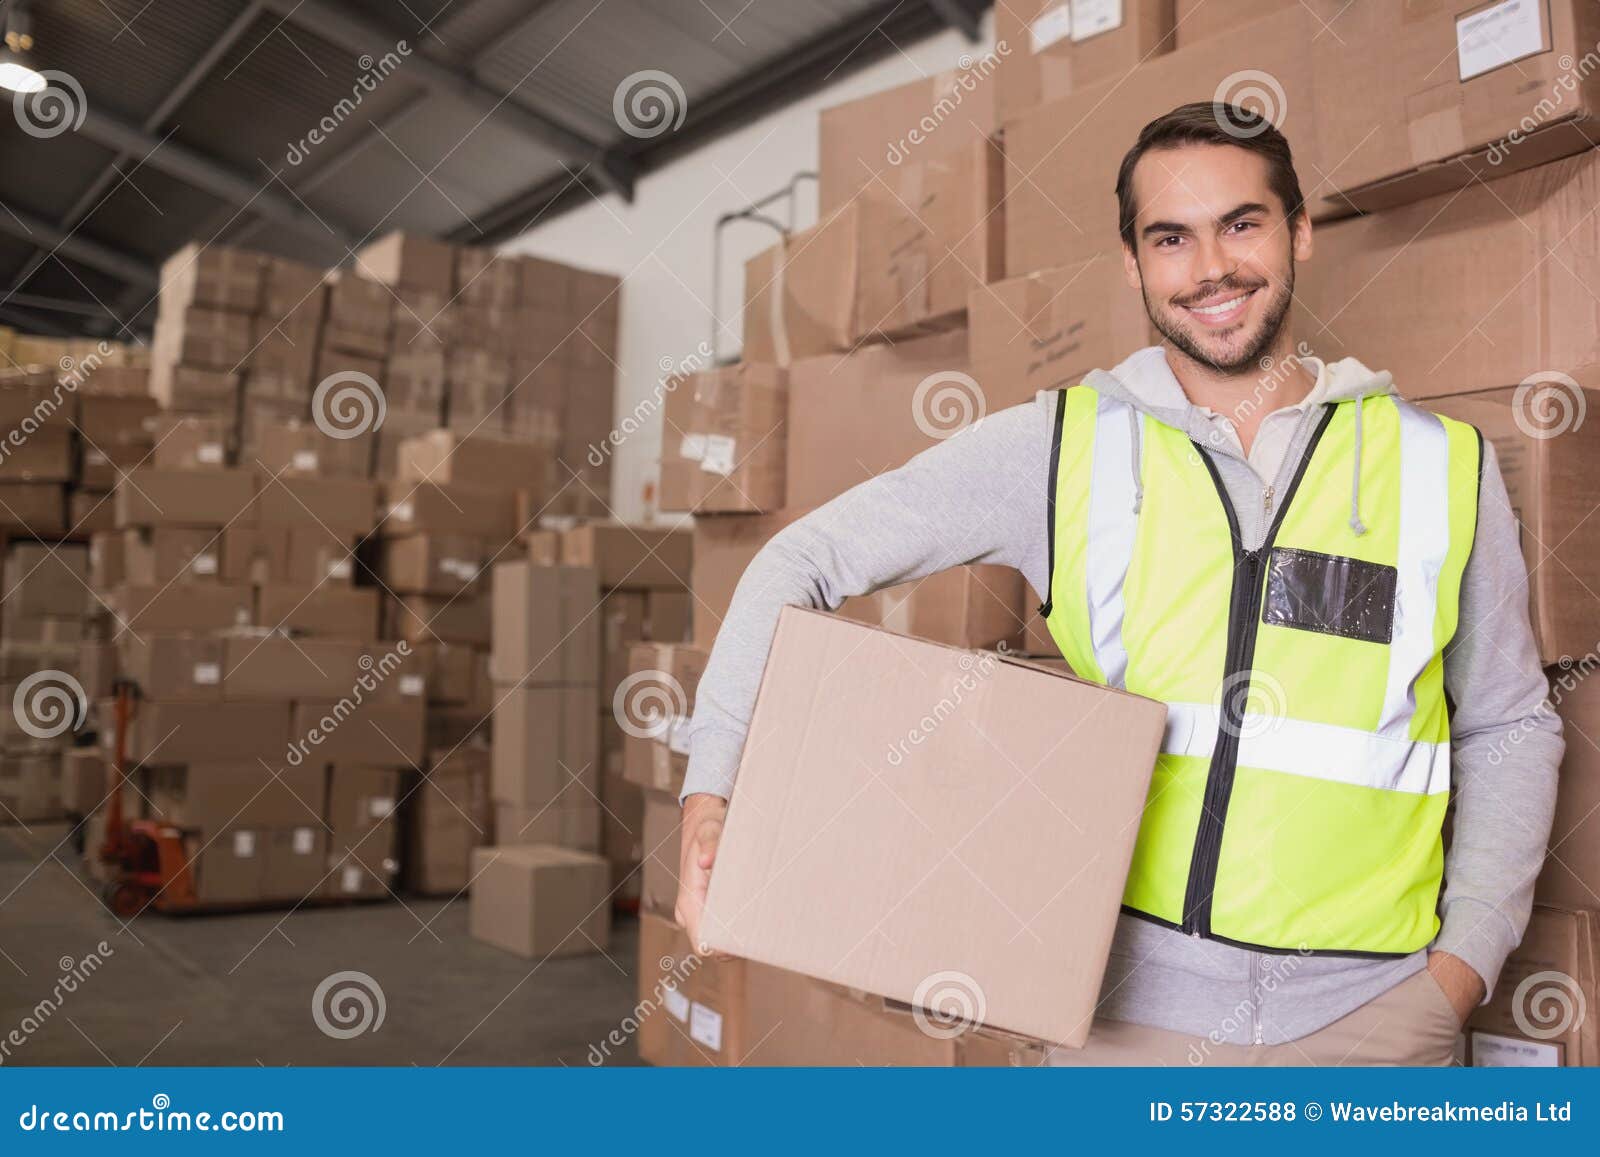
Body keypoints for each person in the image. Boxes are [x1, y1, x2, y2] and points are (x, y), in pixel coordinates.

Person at [673, 102, 1562, 1065]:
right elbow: (797, 560)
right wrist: (709, 791)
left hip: (1380, 1019)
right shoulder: (1062, 447)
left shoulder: (1441, 467)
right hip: (1125, 1022)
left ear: (1300, 231)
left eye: (1243, 224)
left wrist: (1462, 965)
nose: (1211, 267)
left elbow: (1508, 723)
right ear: (1133, 264)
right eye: (1171, 238)